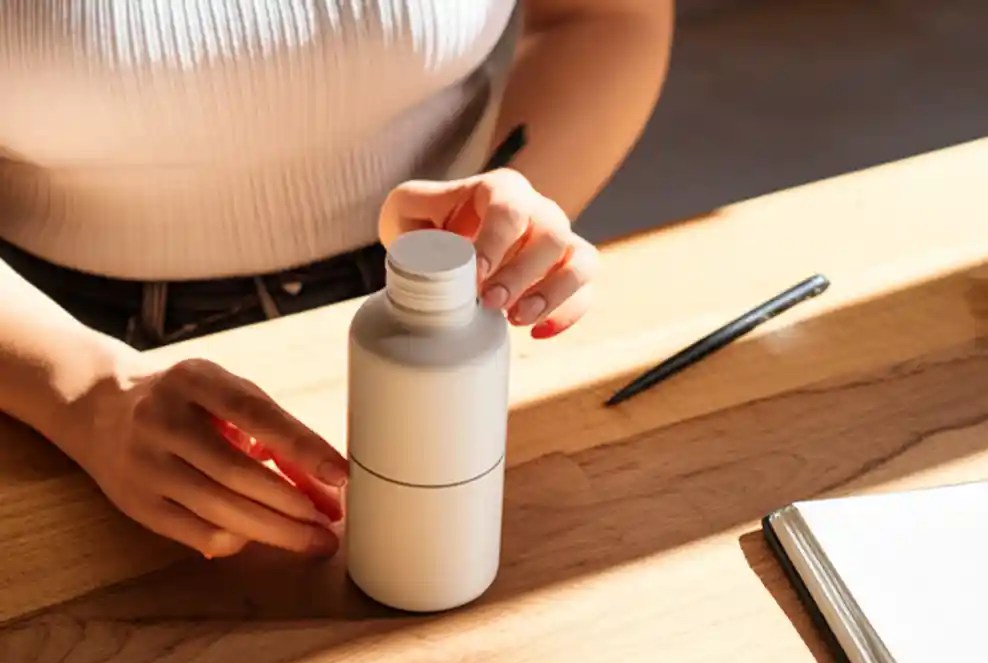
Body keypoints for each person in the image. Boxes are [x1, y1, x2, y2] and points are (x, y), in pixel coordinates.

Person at [0, 1, 673, 560]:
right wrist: (79, 390)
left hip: (436, 296)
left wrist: (505, 236)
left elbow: (600, 16)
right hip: (49, 340)